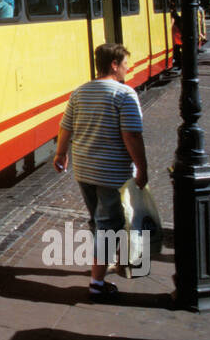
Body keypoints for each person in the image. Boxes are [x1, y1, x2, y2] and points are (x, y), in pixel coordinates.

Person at [53, 43, 148, 302]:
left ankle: (106, 263)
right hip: (112, 173)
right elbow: (132, 135)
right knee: (109, 225)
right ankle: (96, 284)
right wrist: (142, 167)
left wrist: (61, 154)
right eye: (126, 63)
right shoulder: (124, 94)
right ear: (114, 65)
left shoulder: (80, 92)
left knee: (99, 221)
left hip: (84, 171)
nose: (129, 67)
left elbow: (65, 128)